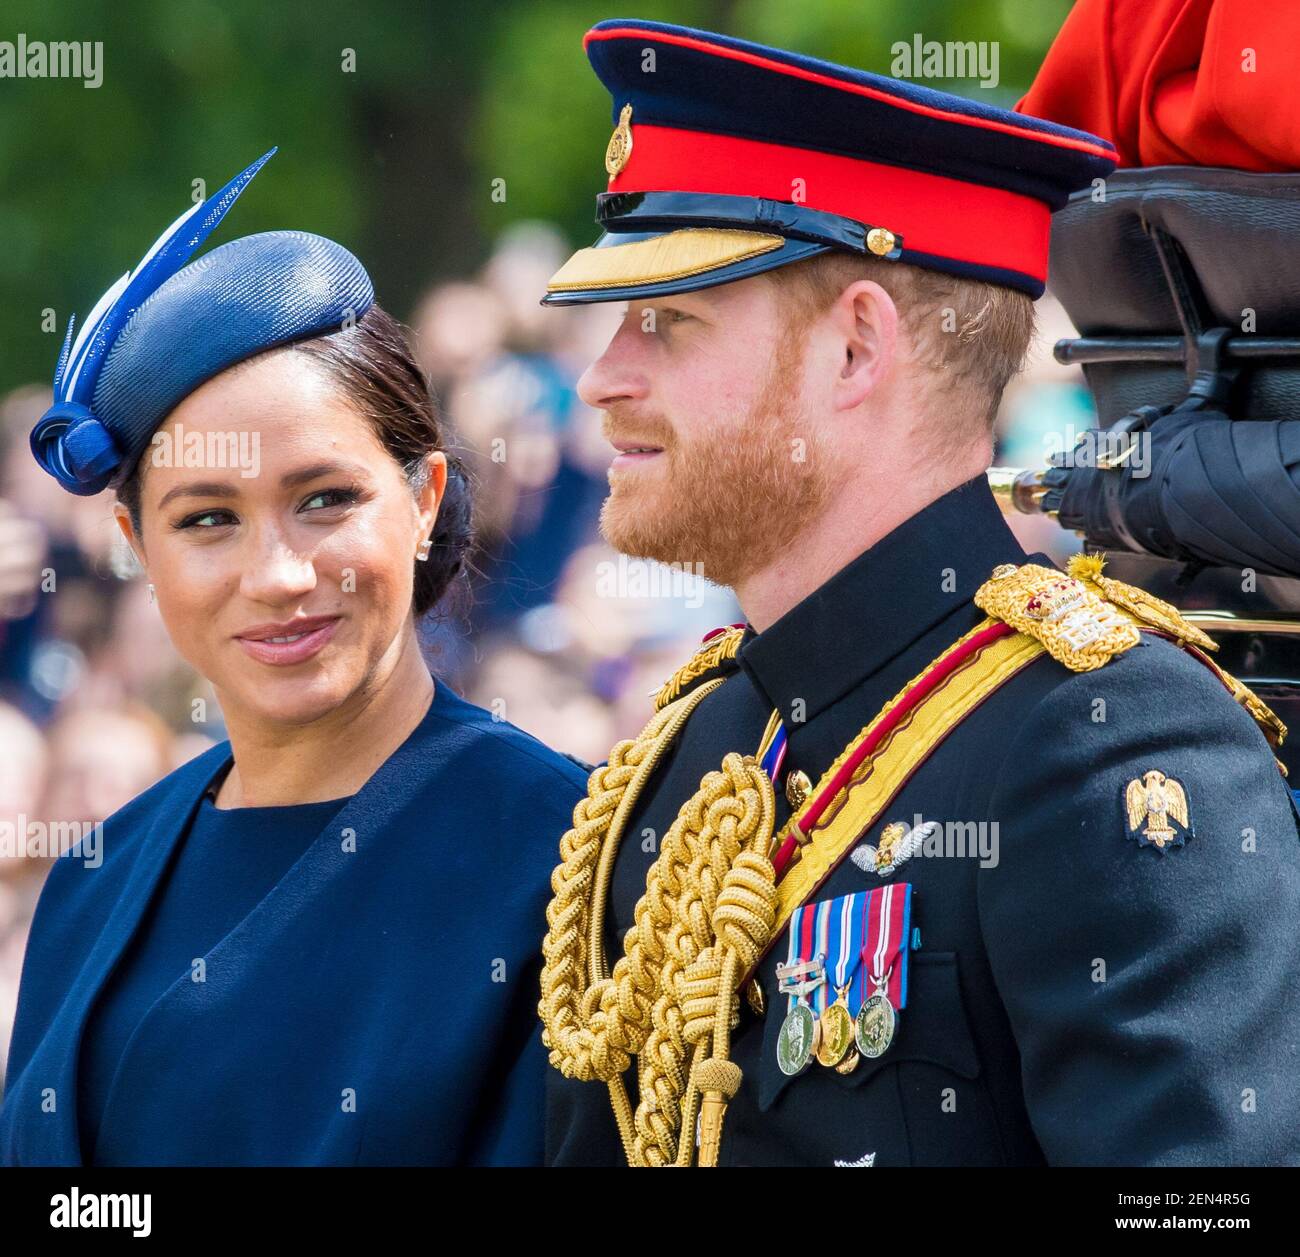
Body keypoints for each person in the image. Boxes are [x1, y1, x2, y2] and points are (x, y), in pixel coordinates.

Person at [535, 19, 1300, 1167]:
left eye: (667, 322)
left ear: (855, 351)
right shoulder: (688, 755)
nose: (603, 379)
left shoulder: (1106, 746)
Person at [0, 149, 587, 1166]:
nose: (278, 575)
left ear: (425, 499)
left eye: (325, 500)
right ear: (136, 549)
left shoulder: (566, 862)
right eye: (208, 520)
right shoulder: (97, 877)